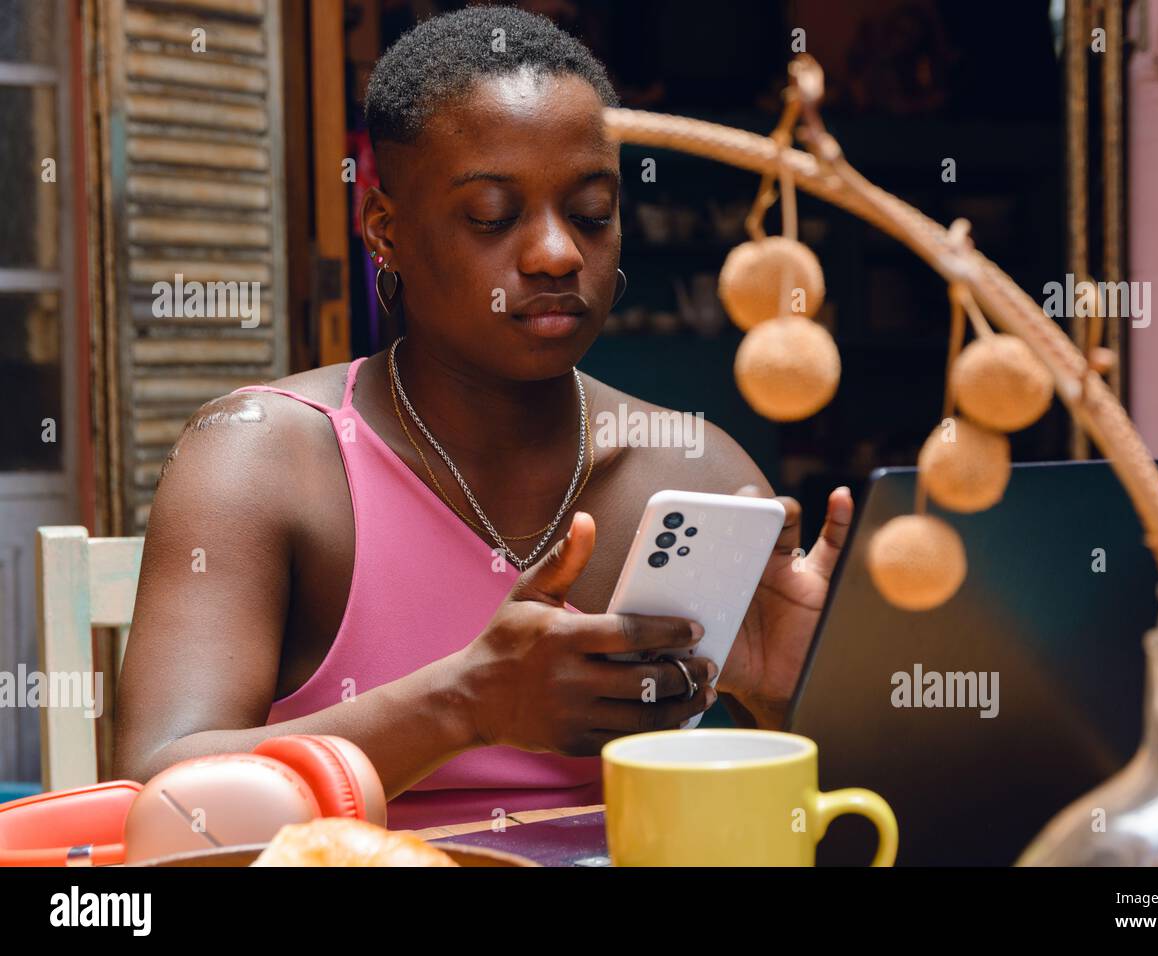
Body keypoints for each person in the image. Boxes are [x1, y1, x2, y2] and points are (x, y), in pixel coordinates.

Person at [114, 5, 853, 829]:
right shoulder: (264, 458)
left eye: (592, 213)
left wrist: (803, 697)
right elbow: (156, 794)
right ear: (385, 233)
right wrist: (467, 702)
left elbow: (834, 830)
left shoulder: (695, 472)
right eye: (494, 215)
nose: (556, 253)